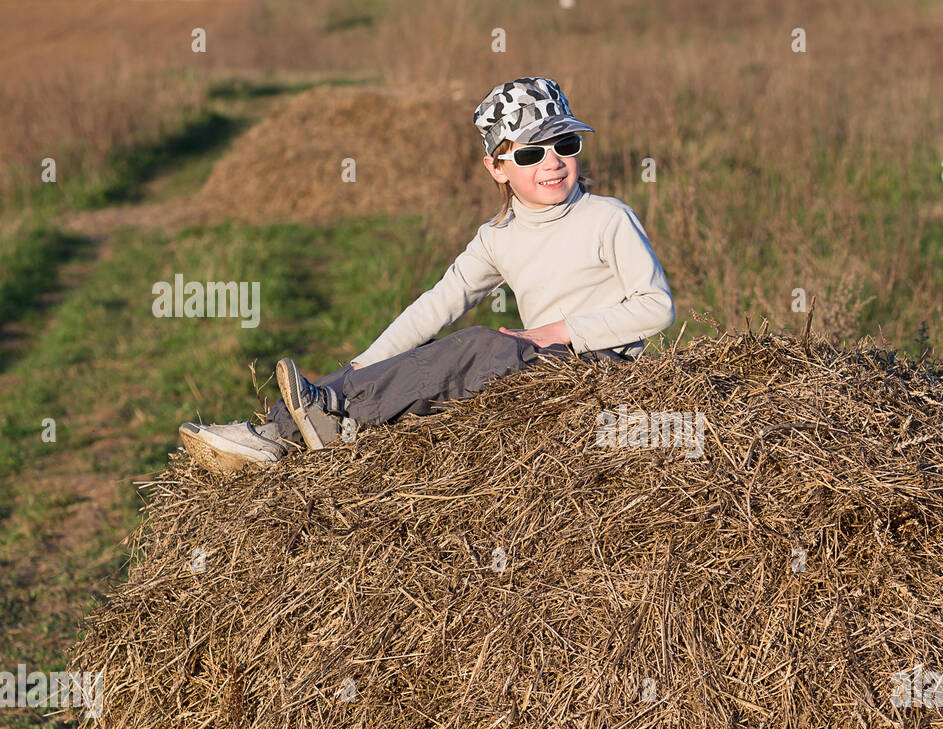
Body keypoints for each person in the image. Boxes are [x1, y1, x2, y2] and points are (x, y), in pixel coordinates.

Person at [179, 75, 674, 474]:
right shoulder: (499, 235)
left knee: (479, 345)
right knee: (448, 351)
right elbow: (440, 303)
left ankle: (335, 418)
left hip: (601, 373)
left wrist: (556, 332)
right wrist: (360, 366)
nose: (552, 162)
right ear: (496, 167)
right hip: (535, 367)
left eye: (565, 143)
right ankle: (278, 429)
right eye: (529, 153)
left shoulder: (608, 217)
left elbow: (657, 307)